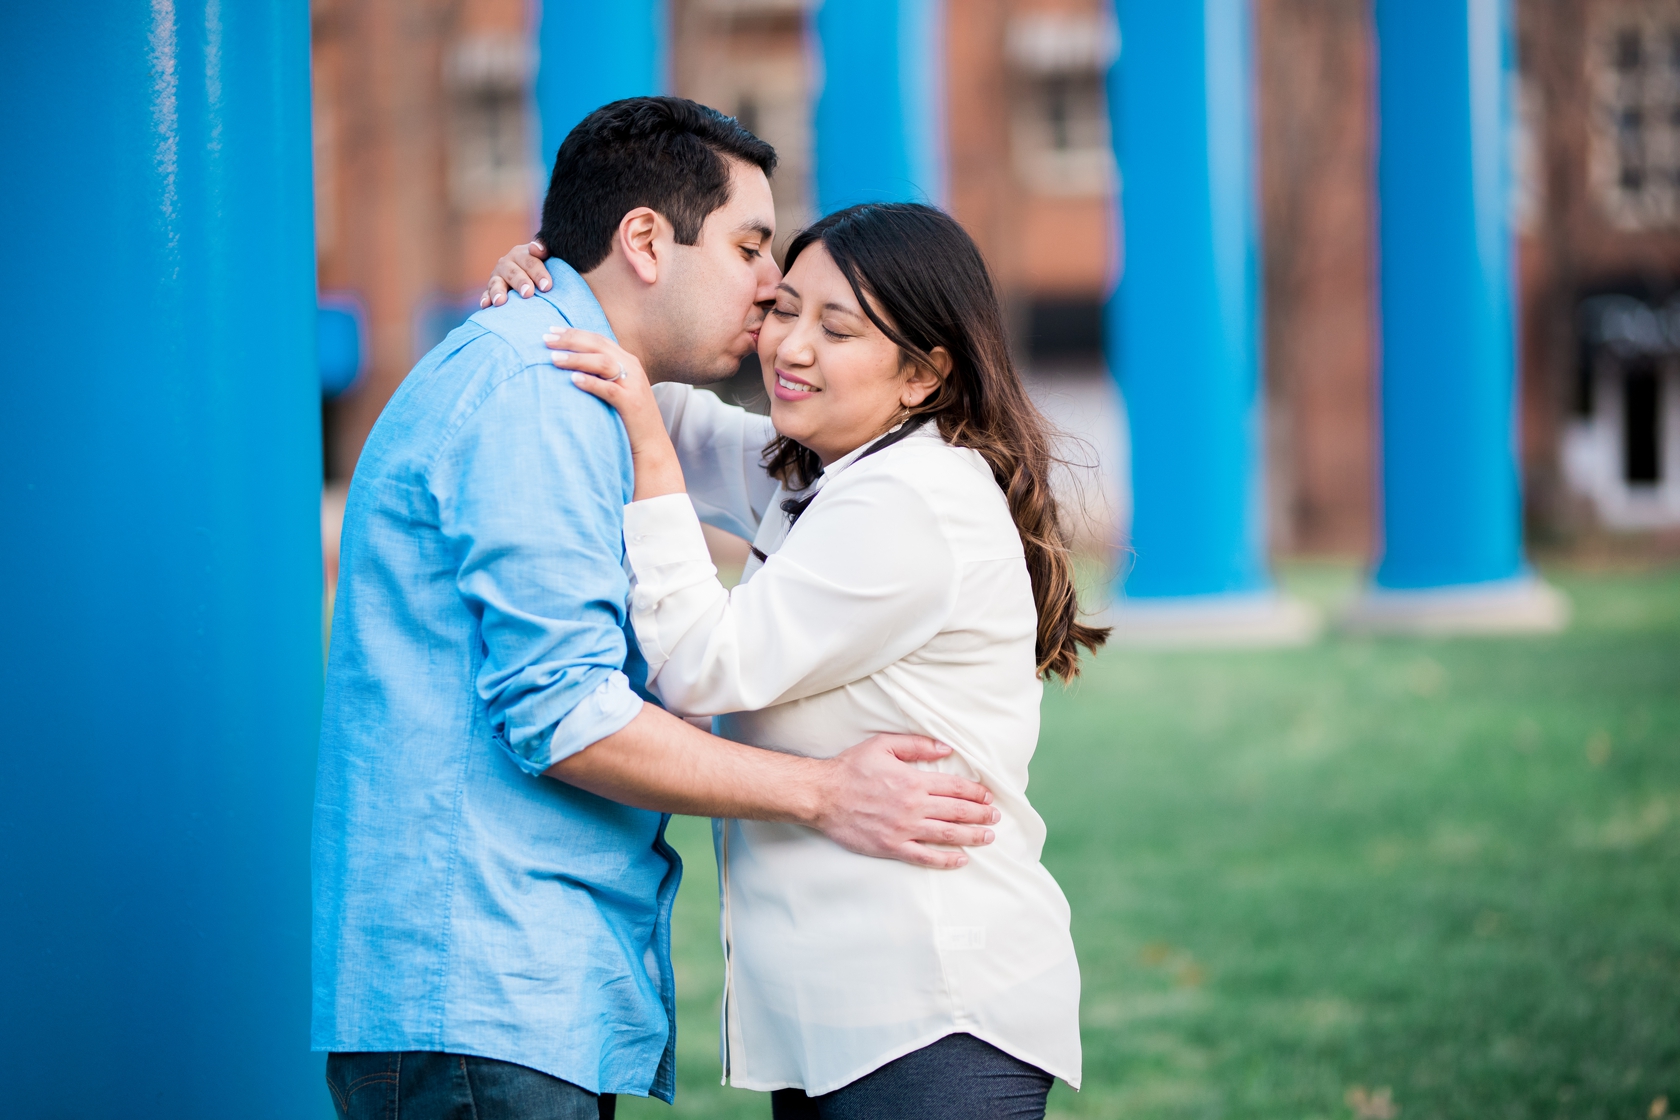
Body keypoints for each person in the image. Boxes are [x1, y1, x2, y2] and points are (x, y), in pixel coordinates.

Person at [314, 98, 1000, 1120]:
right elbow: (567, 713)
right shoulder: (540, 391)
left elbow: (744, 462)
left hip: (515, 996)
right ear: (645, 238)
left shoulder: (577, 378)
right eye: (751, 246)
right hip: (484, 991)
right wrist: (823, 791)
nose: (772, 293)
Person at [492, 202, 1108, 1119]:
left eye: (838, 328)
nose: (792, 346)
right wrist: (561, 301)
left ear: (922, 374)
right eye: (785, 309)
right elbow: (668, 416)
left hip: (928, 1009)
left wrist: (650, 457)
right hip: (853, 1014)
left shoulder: (909, 499)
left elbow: (700, 663)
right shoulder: (836, 467)